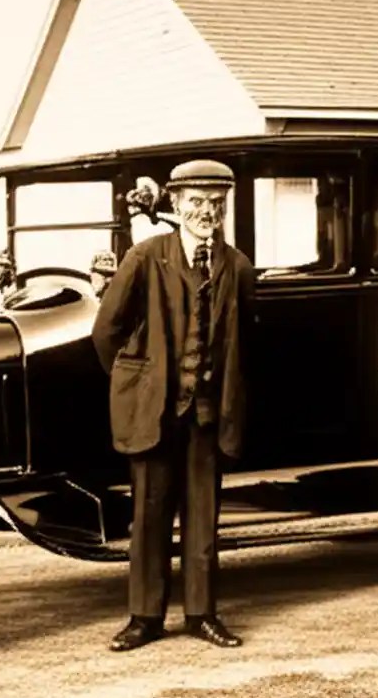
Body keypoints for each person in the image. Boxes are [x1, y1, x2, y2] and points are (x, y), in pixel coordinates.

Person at [91, 158, 257, 651]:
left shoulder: (238, 267)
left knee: (204, 517)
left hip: (207, 413)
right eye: (196, 202)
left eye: (215, 203)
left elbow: (246, 340)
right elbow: (106, 332)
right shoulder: (145, 258)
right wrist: (137, 381)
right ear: (176, 204)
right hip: (154, 412)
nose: (206, 212)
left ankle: (202, 615)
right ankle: (145, 618)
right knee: (149, 514)